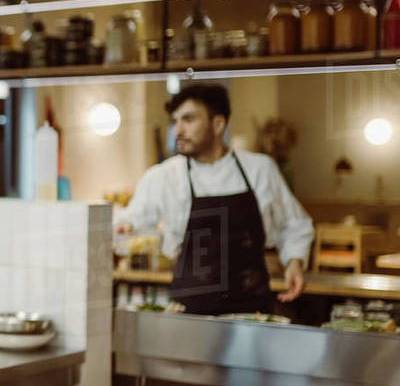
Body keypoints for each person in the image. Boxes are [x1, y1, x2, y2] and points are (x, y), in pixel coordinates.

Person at [115, 82, 314, 315]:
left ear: (218, 124)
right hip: (189, 313)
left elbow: (295, 223)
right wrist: (124, 230)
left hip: (251, 312)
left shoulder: (259, 169)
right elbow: (133, 224)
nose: (178, 130)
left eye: (188, 120)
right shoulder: (163, 177)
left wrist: (294, 262)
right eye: (175, 121)